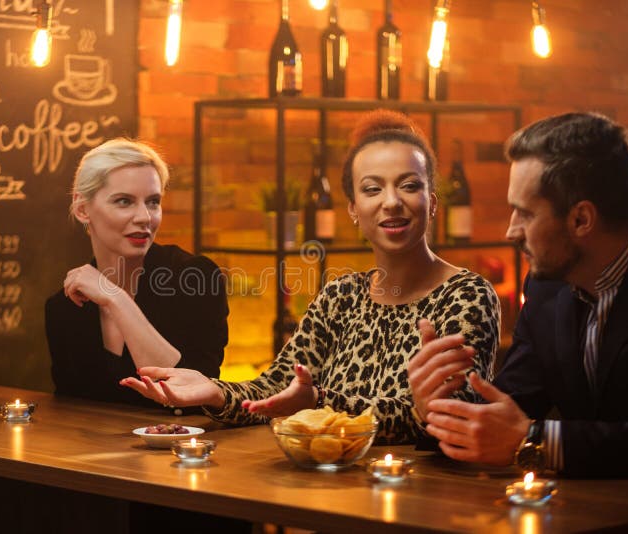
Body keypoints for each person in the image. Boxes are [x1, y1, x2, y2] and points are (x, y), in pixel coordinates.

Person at [122, 110, 501, 443]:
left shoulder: (466, 295)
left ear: (432, 201)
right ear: (353, 208)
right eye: (372, 189)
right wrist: (214, 392)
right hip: (326, 491)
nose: (391, 201)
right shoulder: (342, 295)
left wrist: (320, 402)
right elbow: (276, 388)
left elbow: (445, 414)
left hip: (420, 497)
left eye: (409, 185)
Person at [418, 112, 628, 477]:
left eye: (524, 213)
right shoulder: (545, 287)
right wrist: (439, 406)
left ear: (581, 220)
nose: (511, 231)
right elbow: (511, 406)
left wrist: (537, 441)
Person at [45, 138, 228, 410]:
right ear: (83, 209)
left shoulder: (196, 278)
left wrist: (115, 299)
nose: (145, 217)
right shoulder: (65, 307)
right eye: (124, 201)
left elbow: (188, 401)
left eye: (153, 202)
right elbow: (70, 414)